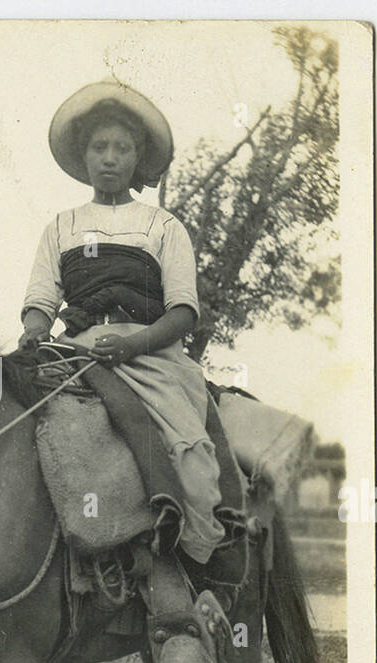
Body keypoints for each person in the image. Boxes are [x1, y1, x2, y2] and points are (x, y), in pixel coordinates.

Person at [18, 80, 245, 609]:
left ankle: (188, 590)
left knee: (190, 460)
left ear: (138, 156)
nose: (110, 159)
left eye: (122, 148)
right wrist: (34, 330)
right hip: (76, 351)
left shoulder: (163, 226)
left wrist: (132, 346)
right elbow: (40, 298)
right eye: (100, 148)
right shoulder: (62, 226)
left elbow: (184, 311)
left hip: (150, 356)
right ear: (84, 156)